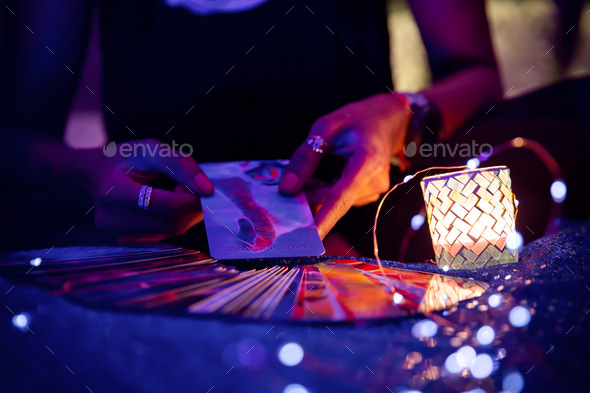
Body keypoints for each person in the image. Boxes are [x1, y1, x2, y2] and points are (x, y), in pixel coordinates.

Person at [0, 0, 502, 252]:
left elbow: (480, 78)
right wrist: (85, 174)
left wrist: (407, 115)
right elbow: (14, 138)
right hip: (153, 272)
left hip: (360, 261)